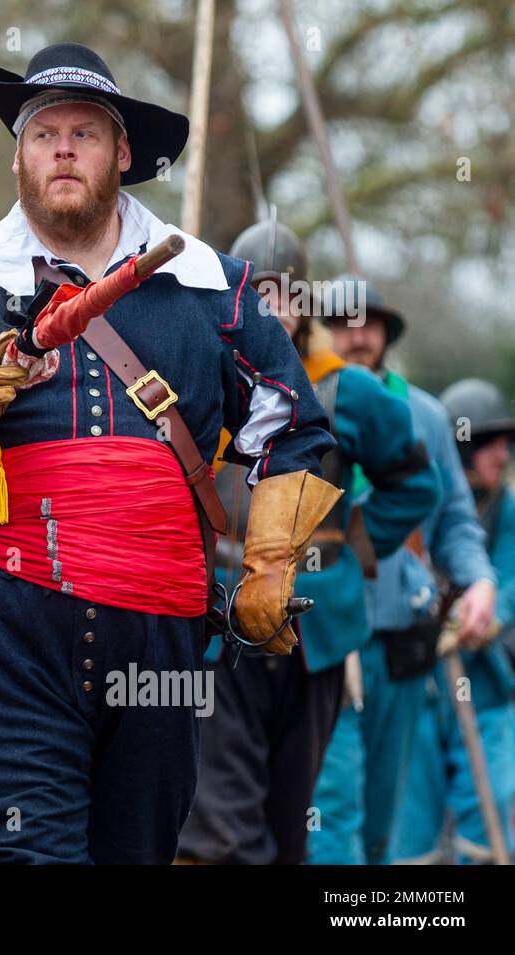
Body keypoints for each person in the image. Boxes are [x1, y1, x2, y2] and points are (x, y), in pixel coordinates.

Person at [0, 42, 341, 863]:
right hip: (5, 635)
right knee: (30, 852)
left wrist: (266, 568)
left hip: (162, 637)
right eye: (46, 133)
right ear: (19, 158)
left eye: (86, 132)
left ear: (123, 155)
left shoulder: (211, 282)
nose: (65, 148)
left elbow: (293, 421)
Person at [177, 222, 440, 864]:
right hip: (218, 621)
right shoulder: (190, 374)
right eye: (254, 292)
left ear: (304, 307)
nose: (269, 308)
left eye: (284, 295)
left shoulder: (348, 390)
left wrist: (342, 549)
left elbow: (414, 486)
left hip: (314, 627)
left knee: (294, 825)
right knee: (221, 829)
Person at [308, 278, 494, 864]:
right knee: (332, 806)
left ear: (386, 333)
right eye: (342, 322)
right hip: (326, 637)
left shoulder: (428, 417)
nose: (356, 334)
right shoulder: (298, 400)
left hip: (402, 640)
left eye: (369, 323)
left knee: (384, 816)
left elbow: (456, 522)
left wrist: (480, 582)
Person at [393, 378, 515, 863]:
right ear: (463, 447)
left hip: (483, 684)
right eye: (490, 444)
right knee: (409, 820)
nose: (502, 455)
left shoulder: (507, 510)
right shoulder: (424, 500)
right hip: (419, 685)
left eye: (506, 444)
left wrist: (486, 615)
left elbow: (508, 579)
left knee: (493, 803)